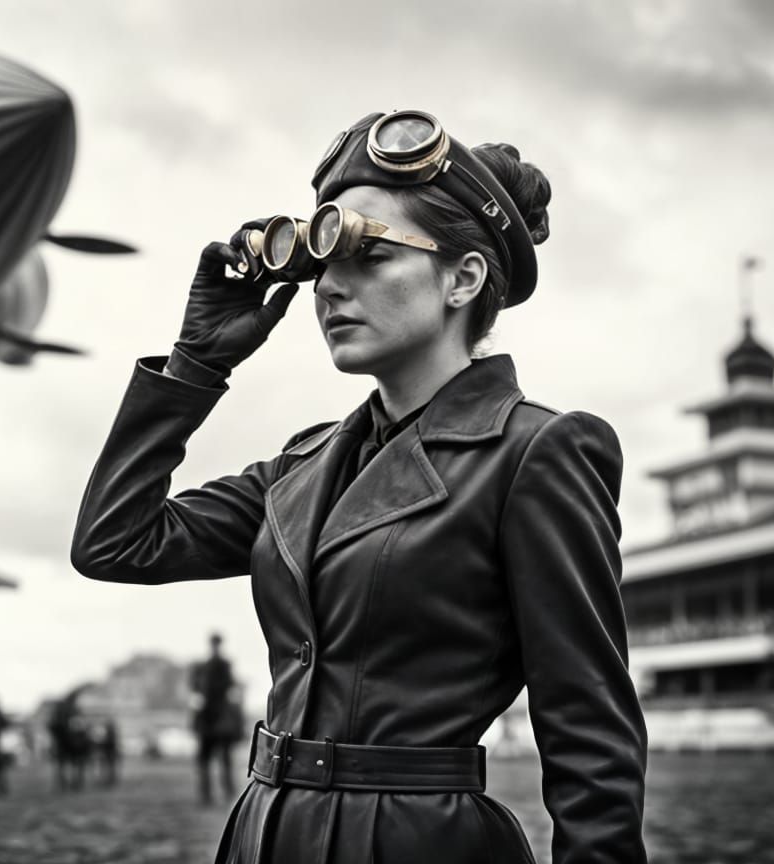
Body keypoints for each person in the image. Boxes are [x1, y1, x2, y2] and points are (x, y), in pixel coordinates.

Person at [72, 109, 647, 863]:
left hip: (418, 844)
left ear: (463, 278)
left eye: (368, 254)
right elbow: (115, 543)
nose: (330, 288)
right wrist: (194, 365)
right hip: (262, 837)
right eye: (320, 263)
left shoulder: (535, 451)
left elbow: (588, 729)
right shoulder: (301, 466)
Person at [190, 632, 243, 804]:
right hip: (210, 718)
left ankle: (226, 793)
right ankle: (207, 794)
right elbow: (196, 689)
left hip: (218, 718)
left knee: (223, 758)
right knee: (207, 759)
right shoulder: (204, 667)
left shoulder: (221, 665)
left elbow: (229, 687)